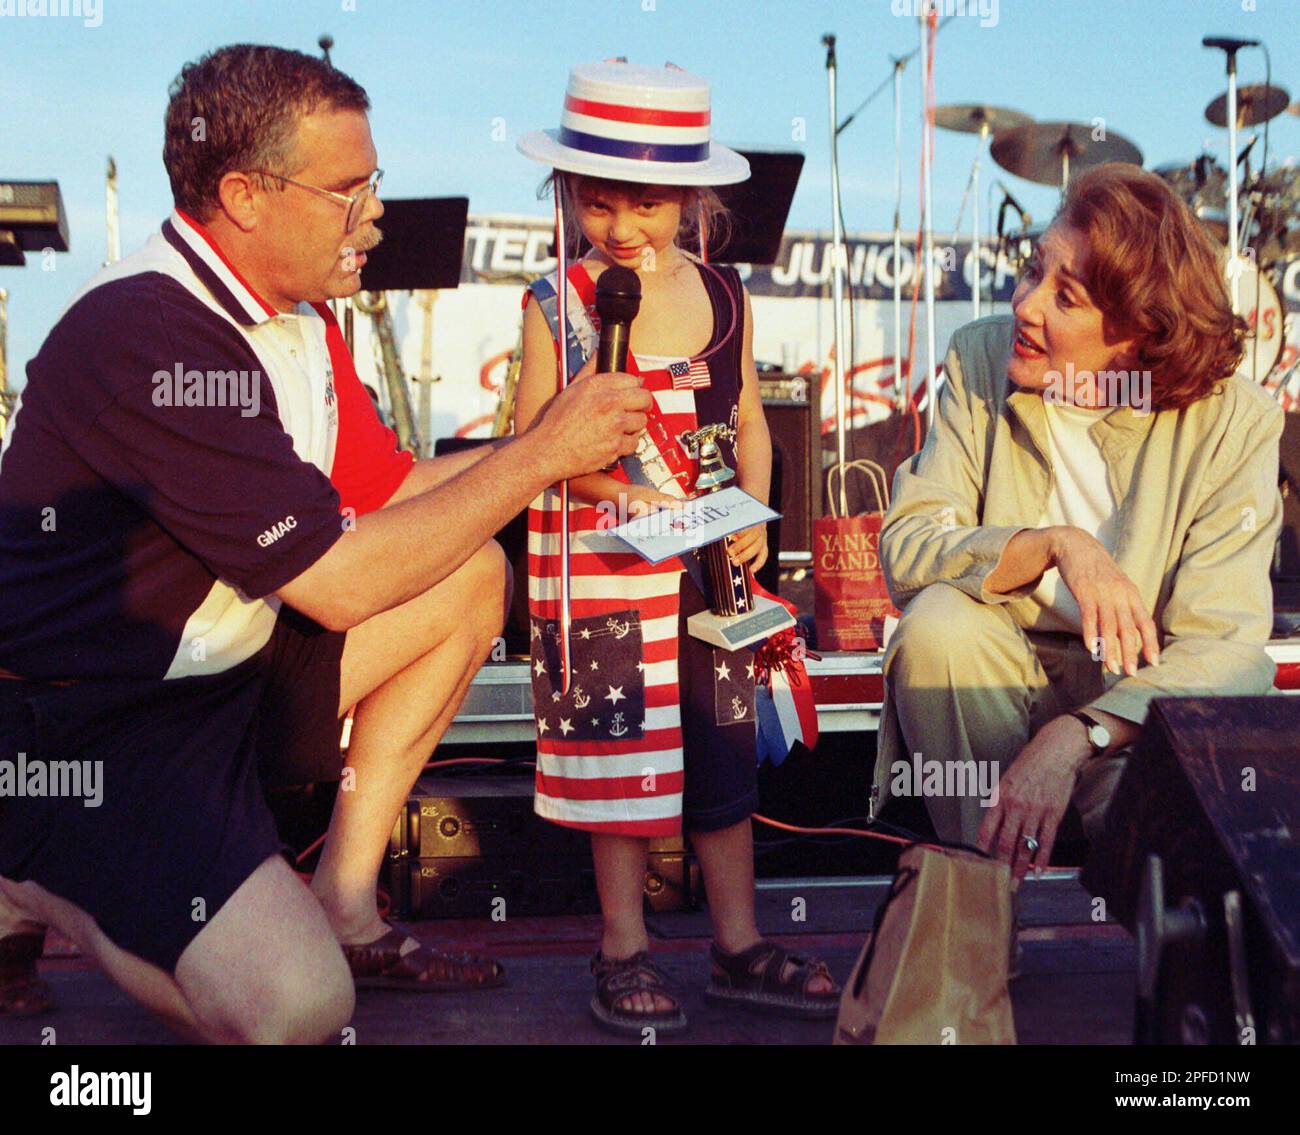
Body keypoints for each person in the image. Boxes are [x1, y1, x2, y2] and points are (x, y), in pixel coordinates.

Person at [0, 44, 652, 1041]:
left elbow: (393, 494)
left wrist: (549, 444)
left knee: (472, 576)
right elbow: (340, 583)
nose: (375, 214)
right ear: (246, 195)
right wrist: (539, 458)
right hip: (101, 724)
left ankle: (343, 901)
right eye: (348, 190)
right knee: (297, 1010)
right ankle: (29, 870)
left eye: (372, 184)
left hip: (222, 676)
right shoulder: (147, 334)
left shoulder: (296, 319)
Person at [513, 60, 839, 1035]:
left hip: (705, 573)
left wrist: (743, 516)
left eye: (646, 201)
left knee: (723, 747)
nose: (622, 226)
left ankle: (736, 942)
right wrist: (625, 499)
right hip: (605, 568)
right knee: (620, 755)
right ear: (568, 194)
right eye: (599, 201)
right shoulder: (556, 303)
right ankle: (623, 944)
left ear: (690, 196)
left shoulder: (727, 297)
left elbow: (745, 425)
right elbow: (535, 447)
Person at [875, 163, 1283, 881]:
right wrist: (1057, 546)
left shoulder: (1234, 420)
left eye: (1065, 297)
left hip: (1130, 711)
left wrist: (1079, 733)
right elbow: (909, 547)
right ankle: (981, 905)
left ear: (1136, 334)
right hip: (994, 681)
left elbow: (1226, 646)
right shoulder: (981, 356)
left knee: (1193, 827)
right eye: (1033, 272)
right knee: (939, 623)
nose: (1026, 305)